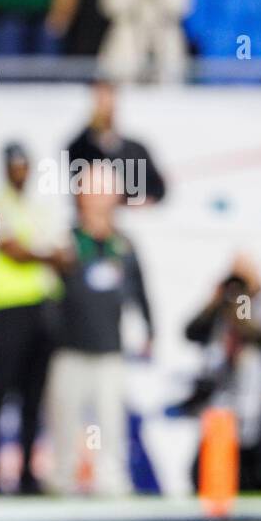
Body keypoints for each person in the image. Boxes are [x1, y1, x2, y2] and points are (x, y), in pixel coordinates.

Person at [46, 174, 153, 498]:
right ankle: (62, 480)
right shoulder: (67, 240)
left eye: (103, 190)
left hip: (110, 350)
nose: (96, 197)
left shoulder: (124, 244)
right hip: (70, 348)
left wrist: (151, 330)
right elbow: (47, 294)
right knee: (64, 420)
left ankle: (112, 482)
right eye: (91, 189)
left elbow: (141, 291)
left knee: (111, 421)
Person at [0, 143, 68, 496]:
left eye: (24, 165)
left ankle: (28, 473)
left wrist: (44, 255)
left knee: (34, 395)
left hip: (40, 308)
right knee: (0, 393)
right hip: (6, 309)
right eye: (15, 165)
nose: (20, 171)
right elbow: (12, 250)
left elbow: (61, 254)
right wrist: (46, 256)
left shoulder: (37, 206)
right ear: (6, 168)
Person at [178, 257, 261, 491]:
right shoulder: (223, 308)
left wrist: (245, 316)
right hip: (227, 399)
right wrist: (215, 302)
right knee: (209, 472)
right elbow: (191, 332)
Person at [65, 81, 166, 206]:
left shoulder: (136, 149)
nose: (105, 106)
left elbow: (157, 188)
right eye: (99, 100)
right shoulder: (79, 147)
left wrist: (139, 201)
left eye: (109, 99)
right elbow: (84, 184)